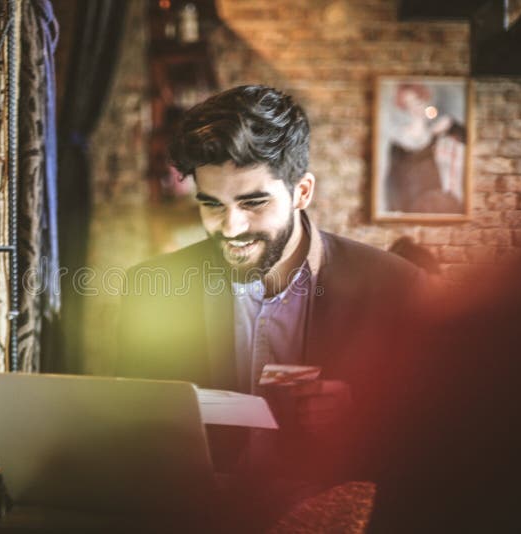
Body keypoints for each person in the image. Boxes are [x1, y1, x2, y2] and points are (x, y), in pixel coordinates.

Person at [115, 85, 421, 527]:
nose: (231, 227)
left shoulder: (397, 288)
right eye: (211, 205)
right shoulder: (150, 287)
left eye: (253, 202)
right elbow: (128, 435)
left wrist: (362, 418)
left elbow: (434, 446)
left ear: (302, 191)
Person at [385, 82, 466, 213]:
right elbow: (394, 183)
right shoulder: (401, 140)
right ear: (404, 107)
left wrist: (450, 126)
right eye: (408, 103)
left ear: (424, 100)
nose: (415, 107)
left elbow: (468, 139)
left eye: (417, 101)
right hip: (414, 202)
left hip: (437, 199)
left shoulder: (440, 129)